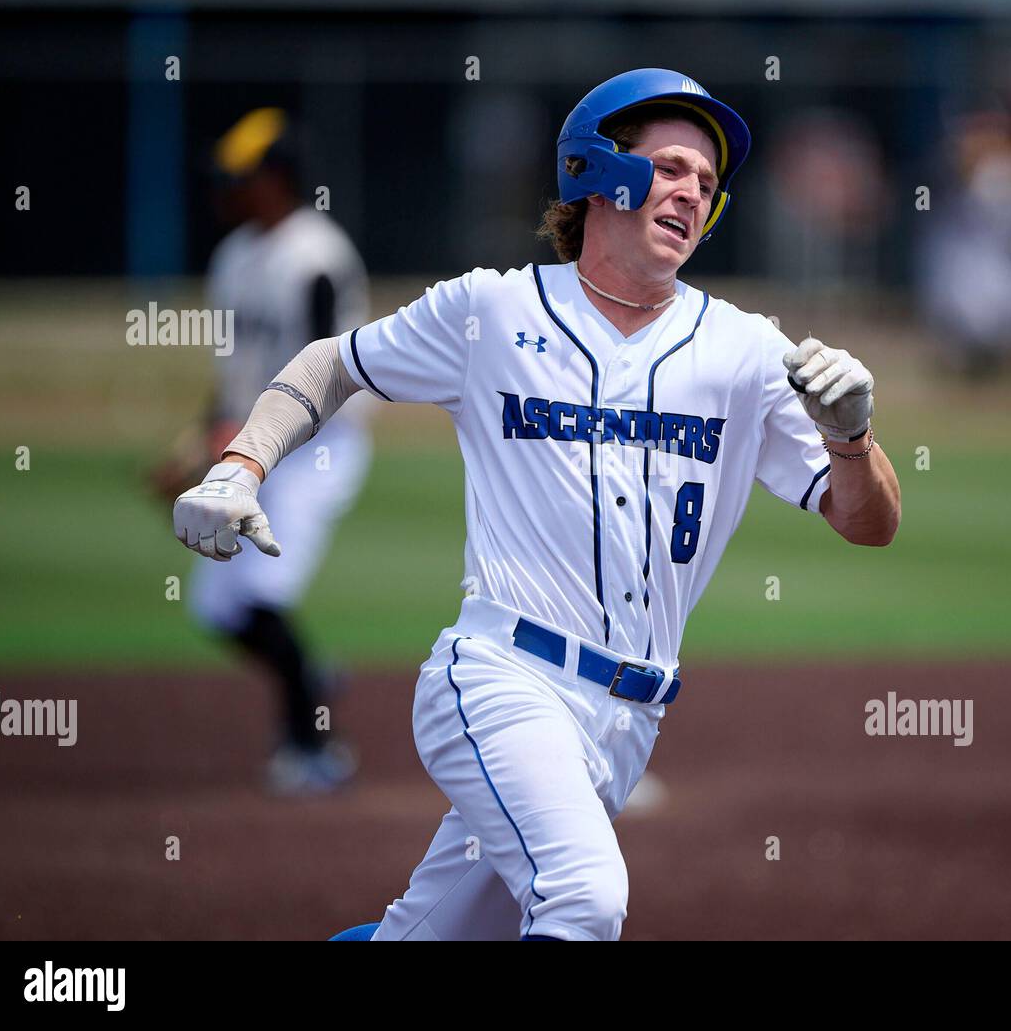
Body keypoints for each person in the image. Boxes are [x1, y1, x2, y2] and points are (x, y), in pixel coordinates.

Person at [171, 69, 900, 939]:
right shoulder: (492, 309)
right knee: (585, 899)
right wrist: (240, 467)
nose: (692, 194)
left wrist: (853, 438)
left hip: (628, 724)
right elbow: (332, 364)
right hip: (501, 678)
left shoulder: (745, 350)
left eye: (707, 184)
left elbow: (869, 523)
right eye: (670, 167)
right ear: (598, 172)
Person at [184, 108, 373, 795]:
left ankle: (312, 748)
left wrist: (239, 442)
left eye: (244, 177)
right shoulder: (235, 255)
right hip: (250, 450)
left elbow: (321, 371)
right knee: (215, 610)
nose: (229, 190)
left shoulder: (315, 256)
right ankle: (309, 672)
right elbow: (235, 369)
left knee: (261, 594)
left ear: (280, 178)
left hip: (317, 451)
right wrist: (202, 442)